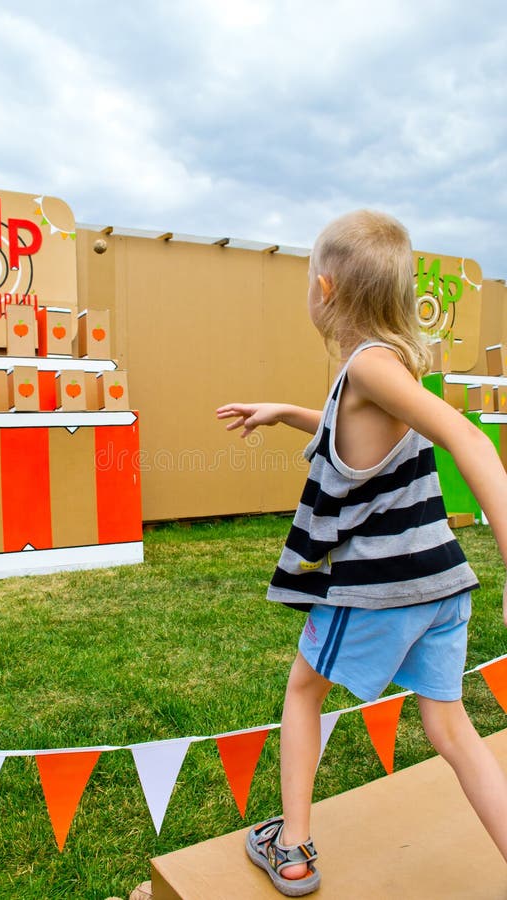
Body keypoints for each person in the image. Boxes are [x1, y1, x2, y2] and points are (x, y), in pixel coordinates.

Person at [217, 209, 507, 896]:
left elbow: (471, 441)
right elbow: (361, 440)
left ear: (324, 289)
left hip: (384, 588)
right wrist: (288, 412)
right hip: (442, 587)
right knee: (452, 727)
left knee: (302, 693)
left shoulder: (370, 367)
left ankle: (290, 848)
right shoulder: (385, 367)